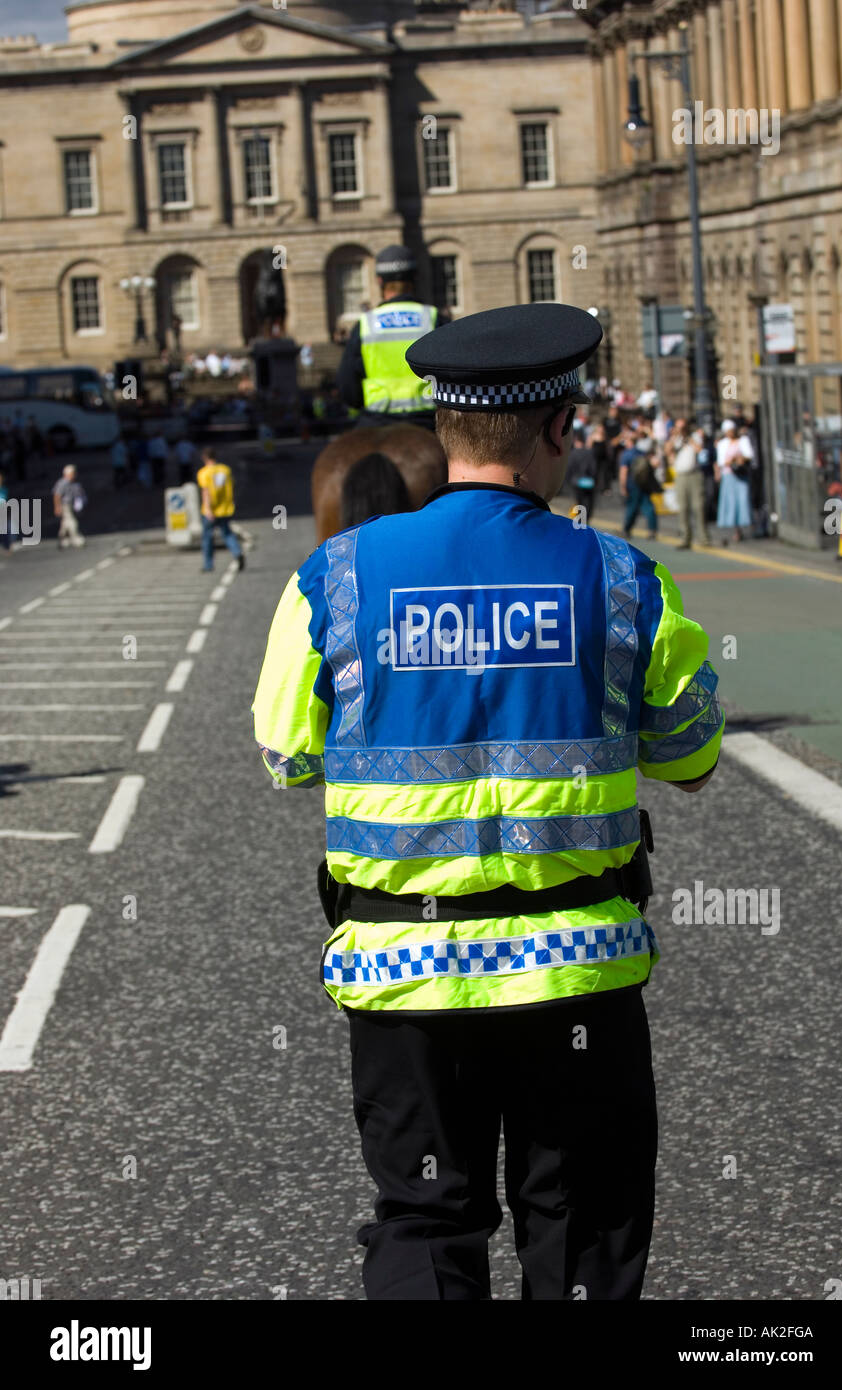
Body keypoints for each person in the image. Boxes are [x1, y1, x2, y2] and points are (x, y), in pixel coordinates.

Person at [252, 301, 724, 1302]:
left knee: (425, 1222)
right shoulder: (620, 576)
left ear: (440, 430)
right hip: (576, 976)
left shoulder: (333, 577)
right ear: (558, 429)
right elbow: (688, 753)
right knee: (583, 1226)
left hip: (402, 975)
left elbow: (285, 755)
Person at [335, 245, 446, 431]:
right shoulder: (434, 318)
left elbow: (347, 387)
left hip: (377, 420)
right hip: (428, 420)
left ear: (379, 281)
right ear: (414, 278)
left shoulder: (365, 324)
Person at [197, 446, 245, 573]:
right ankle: (237, 552)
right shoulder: (225, 470)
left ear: (205, 458)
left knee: (207, 537)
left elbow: (206, 491)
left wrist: (208, 509)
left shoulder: (204, 472)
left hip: (211, 509)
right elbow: (232, 486)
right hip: (225, 508)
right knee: (227, 533)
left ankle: (208, 564)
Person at [666, 419, 709, 548]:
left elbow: (699, 449)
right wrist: (674, 437)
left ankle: (703, 538)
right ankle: (685, 538)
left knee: (698, 506)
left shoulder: (694, 437)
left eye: (683, 427)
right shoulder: (675, 439)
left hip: (694, 474)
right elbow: (667, 451)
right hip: (680, 476)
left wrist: (688, 438)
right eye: (678, 427)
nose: (681, 430)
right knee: (683, 508)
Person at [715, 420, 753, 544]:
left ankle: (742, 527)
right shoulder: (722, 444)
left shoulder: (743, 440)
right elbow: (721, 462)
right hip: (729, 475)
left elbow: (749, 455)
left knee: (742, 500)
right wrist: (731, 461)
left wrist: (739, 458)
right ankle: (735, 529)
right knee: (731, 502)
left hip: (741, 475)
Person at [620, 434, 662, 541]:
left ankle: (626, 529)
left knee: (632, 508)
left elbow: (623, 472)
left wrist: (623, 487)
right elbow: (654, 464)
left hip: (632, 485)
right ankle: (652, 530)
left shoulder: (627, 455)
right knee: (648, 507)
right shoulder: (641, 453)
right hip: (644, 484)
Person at [53, 463, 87, 548]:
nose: (75, 475)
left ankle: (62, 538)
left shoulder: (73, 483)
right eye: (73, 473)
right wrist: (57, 507)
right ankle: (76, 539)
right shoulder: (62, 483)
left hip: (71, 505)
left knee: (65, 523)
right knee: (72, 522)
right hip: (65, 505)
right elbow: (57, 495)